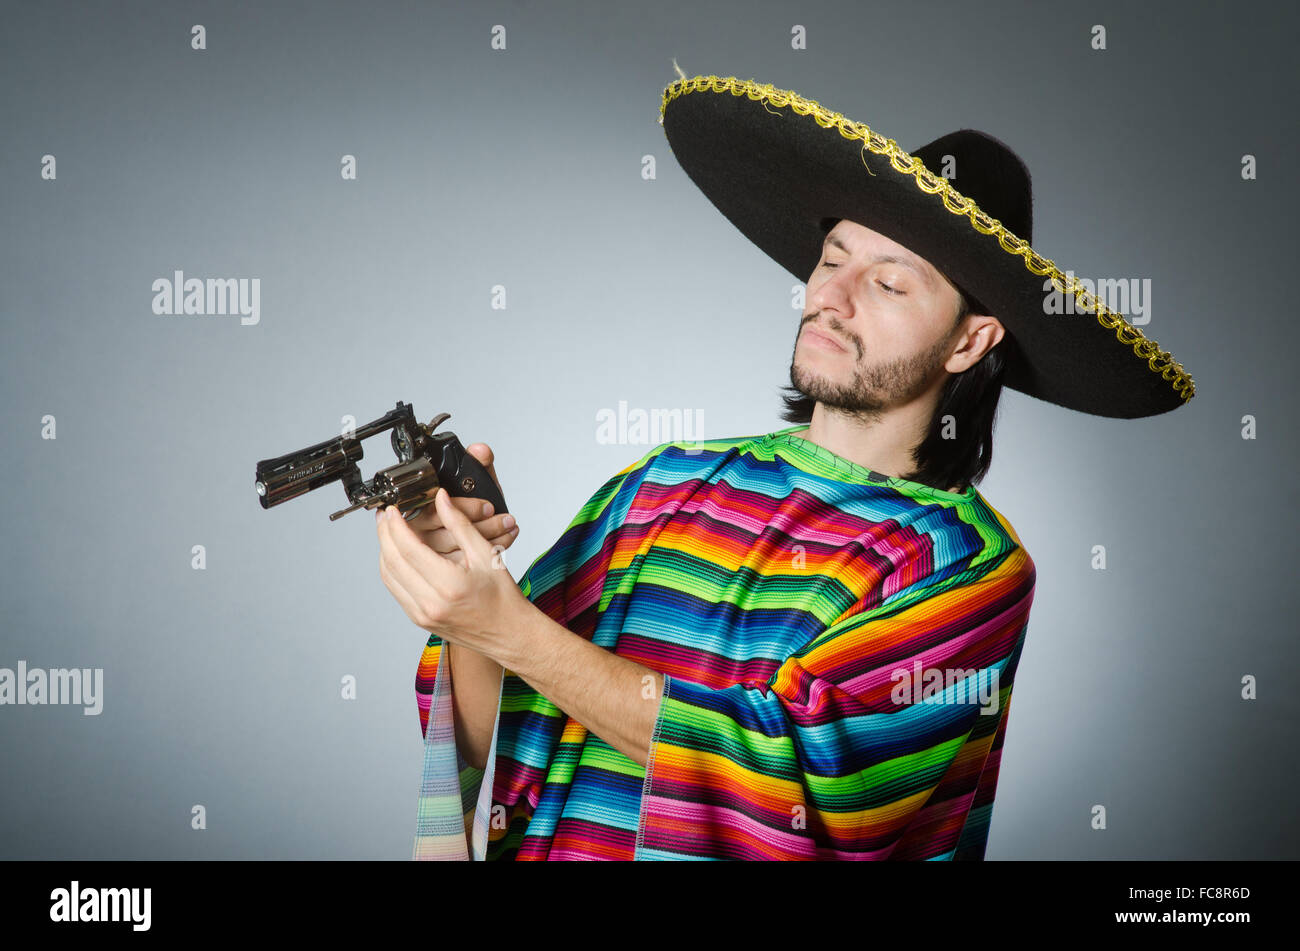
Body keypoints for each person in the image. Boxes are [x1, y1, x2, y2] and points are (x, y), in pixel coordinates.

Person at [380, 74, 1196, 861]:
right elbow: (496, 733)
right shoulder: (664, 484)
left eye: (886, 282)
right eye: (832, 256)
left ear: (970, 340)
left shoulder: (967, 570)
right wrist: (472, 603)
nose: (829, 297)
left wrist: (506, 624)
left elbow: (782, 782)